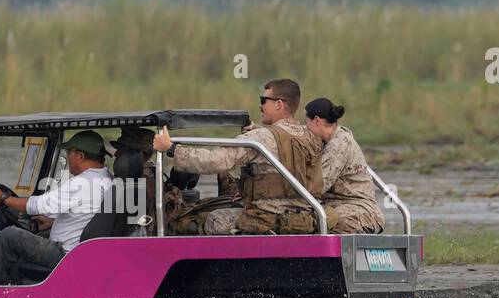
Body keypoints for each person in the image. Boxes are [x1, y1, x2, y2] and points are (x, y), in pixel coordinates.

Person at [152, 78, 324, 234]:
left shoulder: (260, 139)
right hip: (304, 218)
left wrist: (171, 148)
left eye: (263, 101)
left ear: (279, 104)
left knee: (214, 219)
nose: (260, 106)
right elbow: (282, 142)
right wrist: (257, 131)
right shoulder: (309, 137)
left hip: (268, 217)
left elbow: (216, 161)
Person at [0, 130, 113, 283]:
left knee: (8, 236)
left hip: (66, 254)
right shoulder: (106, 178)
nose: (68, 157)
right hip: (80, 250)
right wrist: (53, 222)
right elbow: (87, 213)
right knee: (25, 241)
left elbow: (38, 205)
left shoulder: (83, 183)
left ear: (80, 156)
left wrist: (4, 198)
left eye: (69, 152)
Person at [304, 97, 385, 234]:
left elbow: (318, 185)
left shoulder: (339, 143)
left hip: (360, 211)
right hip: (339, 206)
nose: (305, 128)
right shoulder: (328, 141)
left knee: (309, 221)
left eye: (306, 123)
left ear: (317, 121)